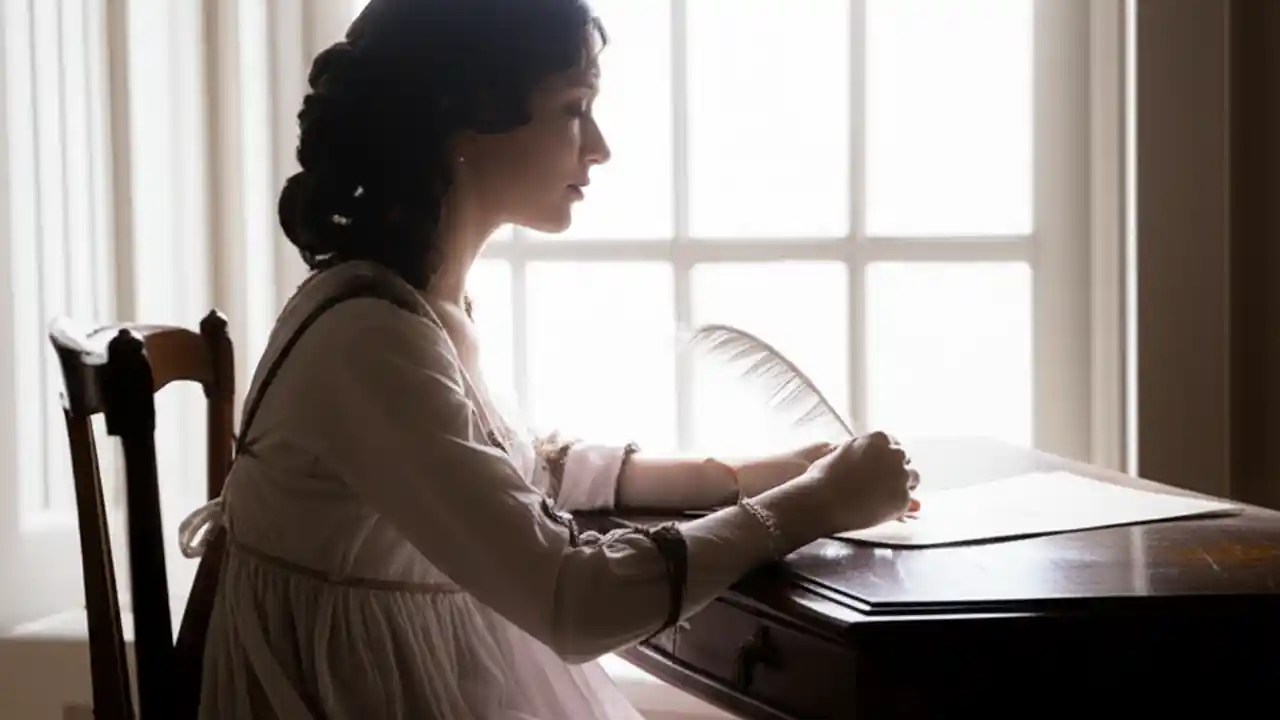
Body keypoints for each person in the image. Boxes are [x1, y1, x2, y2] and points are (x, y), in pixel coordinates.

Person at [178, 0, 920, 717]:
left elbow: (520, 466)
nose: (598, 145)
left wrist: (738, 476)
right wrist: (815, 505)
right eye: (573, 108)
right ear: (465, 119)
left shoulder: (410, 306)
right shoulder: (368, 341)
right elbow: (574, 603)